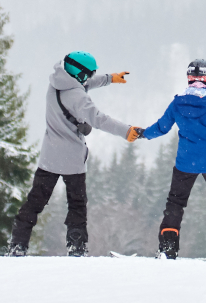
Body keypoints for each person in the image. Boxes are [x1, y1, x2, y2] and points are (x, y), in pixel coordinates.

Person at [8, 51, 138, 257]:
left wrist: (109, 78)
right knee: (76, 206)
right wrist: (126, 131)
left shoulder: (56, 83)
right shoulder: (76, 95)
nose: (88, 78)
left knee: (34, 202)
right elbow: (98, 119)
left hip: (49, 158)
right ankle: (76, 248)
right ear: (78, 73)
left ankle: (17, 245)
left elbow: (84, 84)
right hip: (72, 161)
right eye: (87, 74)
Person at [127, 58, 206, 261]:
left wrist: (144, 133)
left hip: (186, 163)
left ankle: (167, 249)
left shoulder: (178, 102)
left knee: (175, 204)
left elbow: (162, 127)